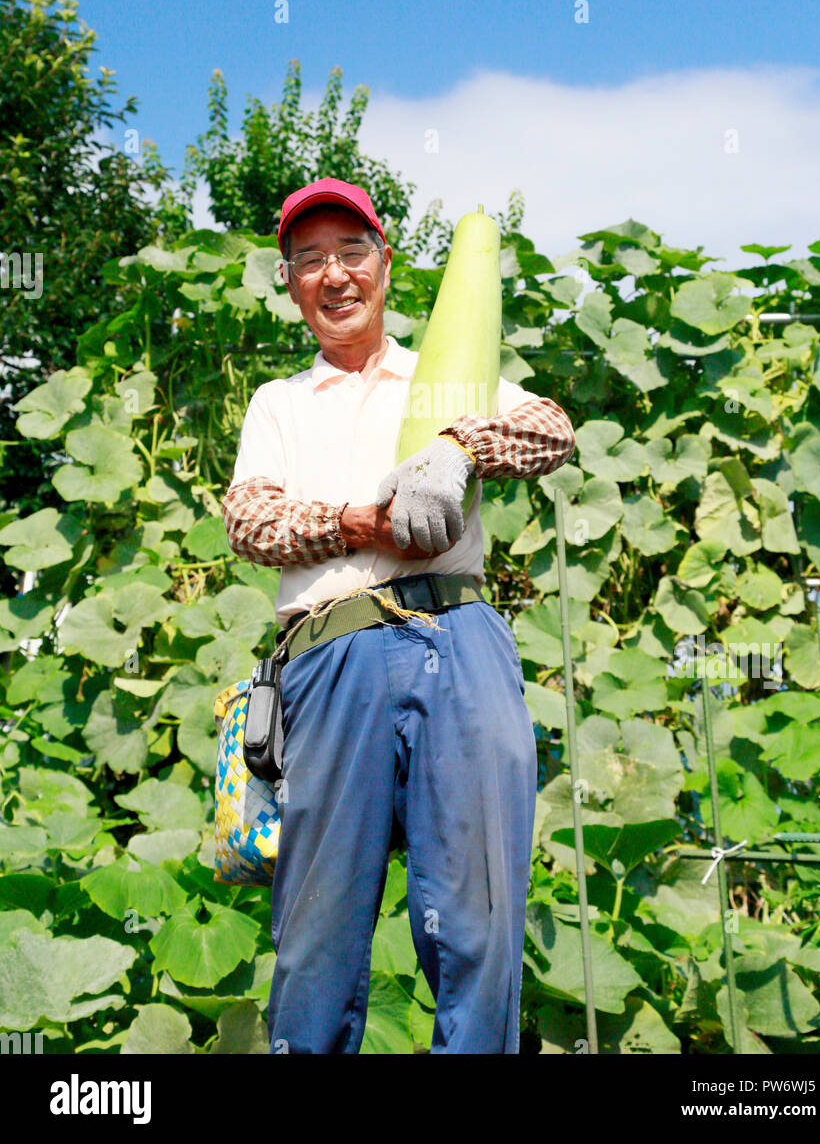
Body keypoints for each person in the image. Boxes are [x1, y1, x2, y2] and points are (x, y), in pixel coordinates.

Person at [222, 177, 576, 1054]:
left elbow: (553, 431)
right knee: (317, 934)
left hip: (458, 639)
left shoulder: (447, 374)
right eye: (310, 260)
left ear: (385, 266)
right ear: (290, 280)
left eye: (352, 253)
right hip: (328, 656)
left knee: (477, 918)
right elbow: (251, 521)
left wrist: (457, 448)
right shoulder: (279, 402)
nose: (333, 274)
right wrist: (361, 522)